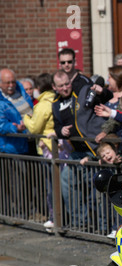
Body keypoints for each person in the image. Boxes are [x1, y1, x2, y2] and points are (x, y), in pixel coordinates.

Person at [52, 70, 113, 228]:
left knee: (98, 189)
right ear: (55, 87)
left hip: (95, 147)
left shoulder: (83, 92)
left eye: (67, 84)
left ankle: (105, 227)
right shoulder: (56, 103)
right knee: (67, 181)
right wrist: (61, 131)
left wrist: (103, 90)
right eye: (61, 86)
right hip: (77, 150)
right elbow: (57, 125)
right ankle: (81, 223)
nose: (65, 88)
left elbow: (106, 97)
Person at [23, 73, 56, 229]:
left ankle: (54, 217)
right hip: (56, 147)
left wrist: (26, 118)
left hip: (47, 148)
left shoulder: (43, 104)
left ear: (39, 88)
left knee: (51, 186)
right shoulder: (55, 99)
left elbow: (35, 128)